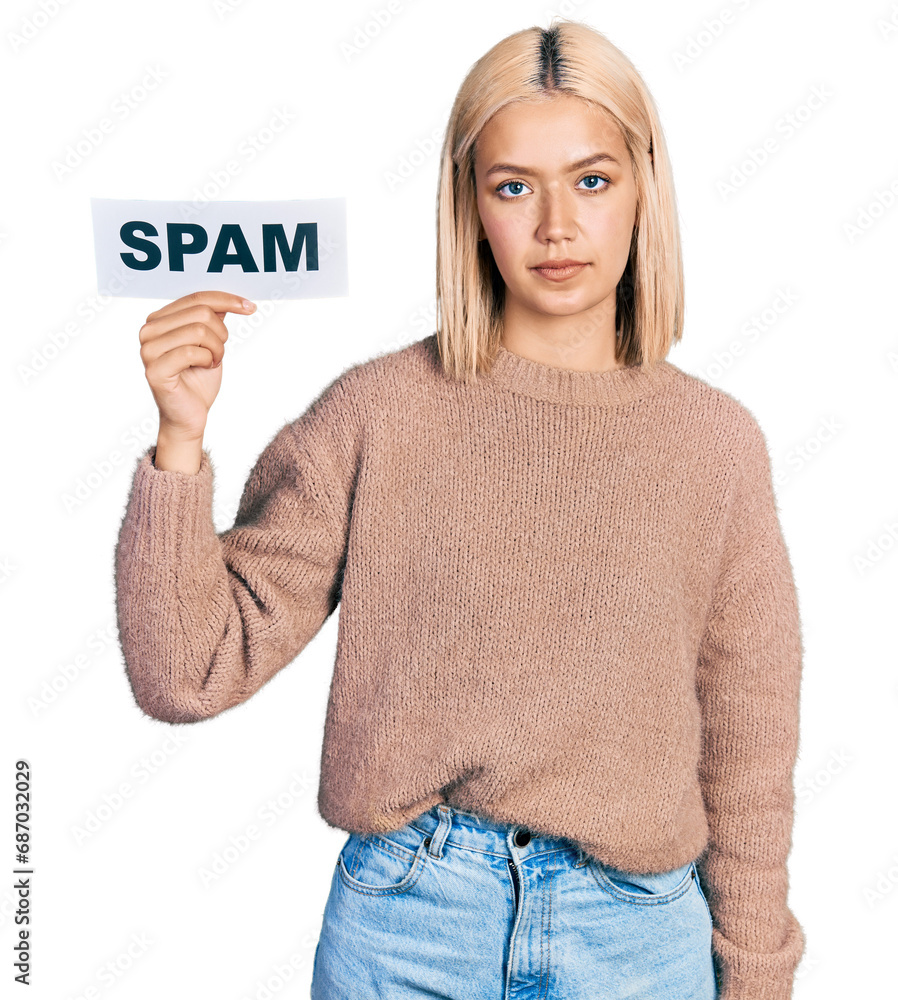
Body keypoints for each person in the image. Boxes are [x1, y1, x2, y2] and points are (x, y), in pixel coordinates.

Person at [114, 18, 805, 1000]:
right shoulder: (380, 412)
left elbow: (749, 751)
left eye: (592, 179)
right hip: (409, 929)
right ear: (469, 204)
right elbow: (189, 669)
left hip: (638, 944)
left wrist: (758, 973)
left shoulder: (715, 443)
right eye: (513, 185)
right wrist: (178, 442)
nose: (555, 223)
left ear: (645, 186)